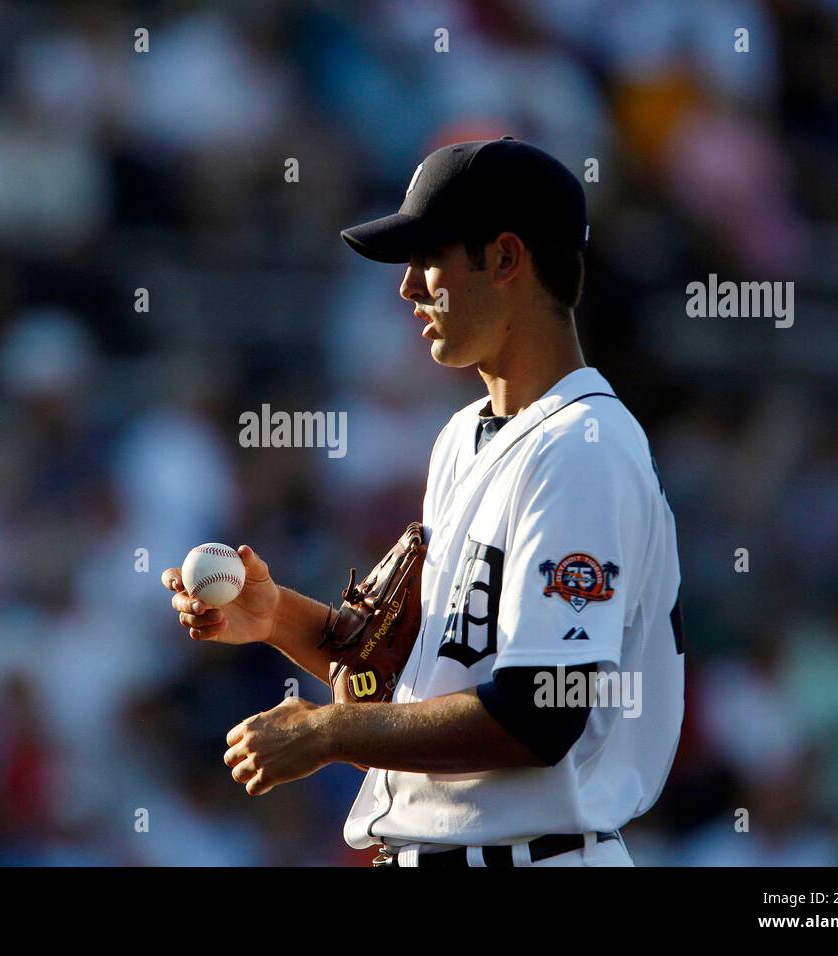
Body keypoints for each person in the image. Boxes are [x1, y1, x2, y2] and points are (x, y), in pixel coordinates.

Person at [163, 137, 684, 867]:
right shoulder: (463, 437)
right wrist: (277, 615)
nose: (408, 288)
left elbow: (541, 714)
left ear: (506, 259)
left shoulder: (583, 446)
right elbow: (408, 679)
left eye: (429, 257)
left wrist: (329, 733)